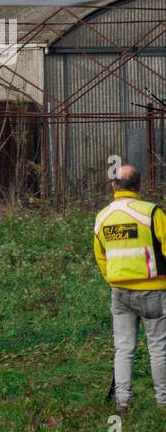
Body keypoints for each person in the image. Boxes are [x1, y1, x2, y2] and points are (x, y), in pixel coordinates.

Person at [93, 163, 166, 410]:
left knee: (123, 350)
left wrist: (112, 278)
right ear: (139, 185)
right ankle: (163, 402)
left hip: (120, 293)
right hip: (153, 290)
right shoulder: (152, 213)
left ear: (114, 186)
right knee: (158, 348)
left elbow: (100, 256)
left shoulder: (102, 217)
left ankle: (122, 402)